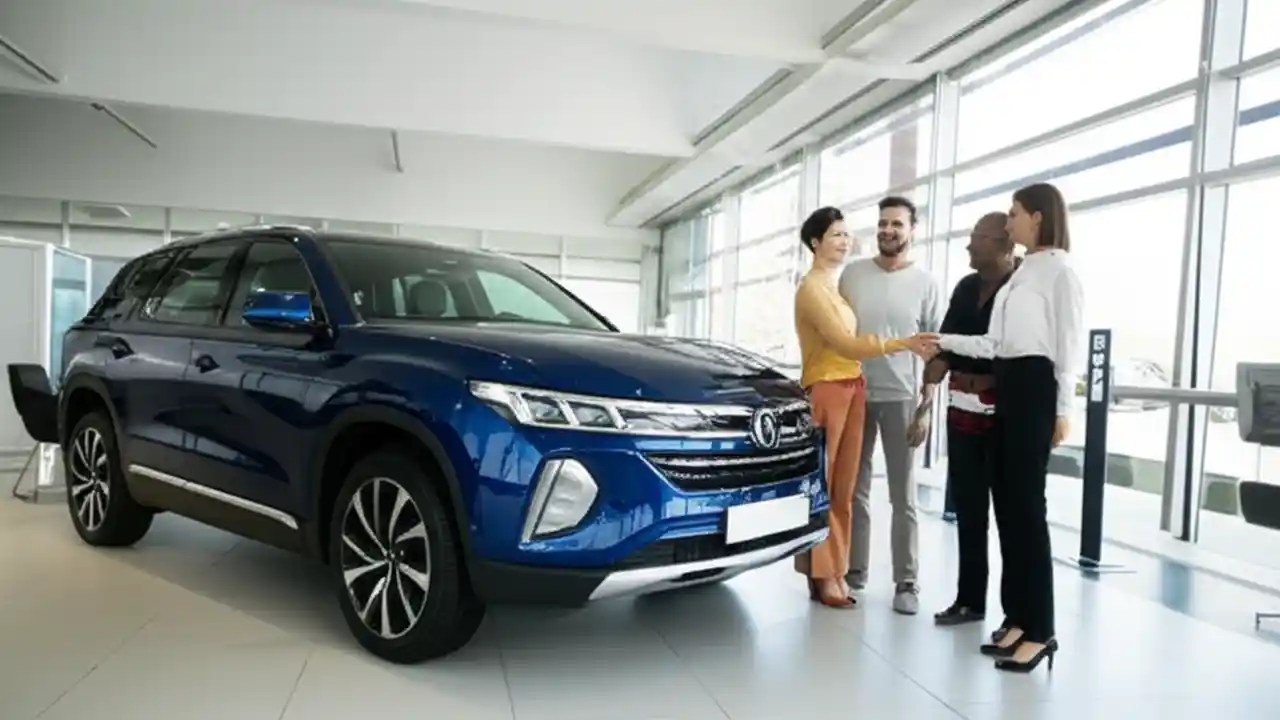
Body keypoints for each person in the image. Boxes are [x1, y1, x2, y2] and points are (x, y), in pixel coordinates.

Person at [927, 182, 1083, 673]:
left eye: (1015, 214)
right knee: (1010, 510)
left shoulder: (1059, 273)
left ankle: (1041, 630)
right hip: (1010, 384)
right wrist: (937, 340)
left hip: (1036, 388)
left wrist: (1062, 410)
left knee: (1027, 513)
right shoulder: (1023, 275)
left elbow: (1068, 349)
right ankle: (1017, 616)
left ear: (1037, 218)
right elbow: (994, 344)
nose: (1009, 222)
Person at [792, 206, 933, 608]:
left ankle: (832, 571)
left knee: (845, 487)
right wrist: (901, 343)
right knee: (832, 487)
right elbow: (845, 344)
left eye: (845, 234)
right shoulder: (813, 290)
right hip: (829, 390)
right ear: (815, 243)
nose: (844, 240)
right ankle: (829, 574)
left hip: (854, 387)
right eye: (836, 234)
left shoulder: (835, 287)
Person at [838, 195, 942, 615]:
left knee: (904, 495)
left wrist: (927, 403)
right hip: (856, 394)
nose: (887, 230)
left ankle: (907, 582)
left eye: (896, 224)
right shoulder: (853, 276)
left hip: (902, 398)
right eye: (882, 223)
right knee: (854, 491)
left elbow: (935, 348)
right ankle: (853, 573)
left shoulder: (926, 283)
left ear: (912, 230)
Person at [916, 212, 1018, 629]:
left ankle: (1017, 614)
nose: (969, 245)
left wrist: (951, 353)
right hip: (962, 411)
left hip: (1007, 414)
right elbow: (947, 338)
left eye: (978, 238)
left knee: (1011, 516)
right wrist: (937, 365)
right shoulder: (965, 287)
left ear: (1003, 244)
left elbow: (1008, 349)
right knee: (970, 511)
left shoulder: (1022, 286)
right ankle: (969, 599)